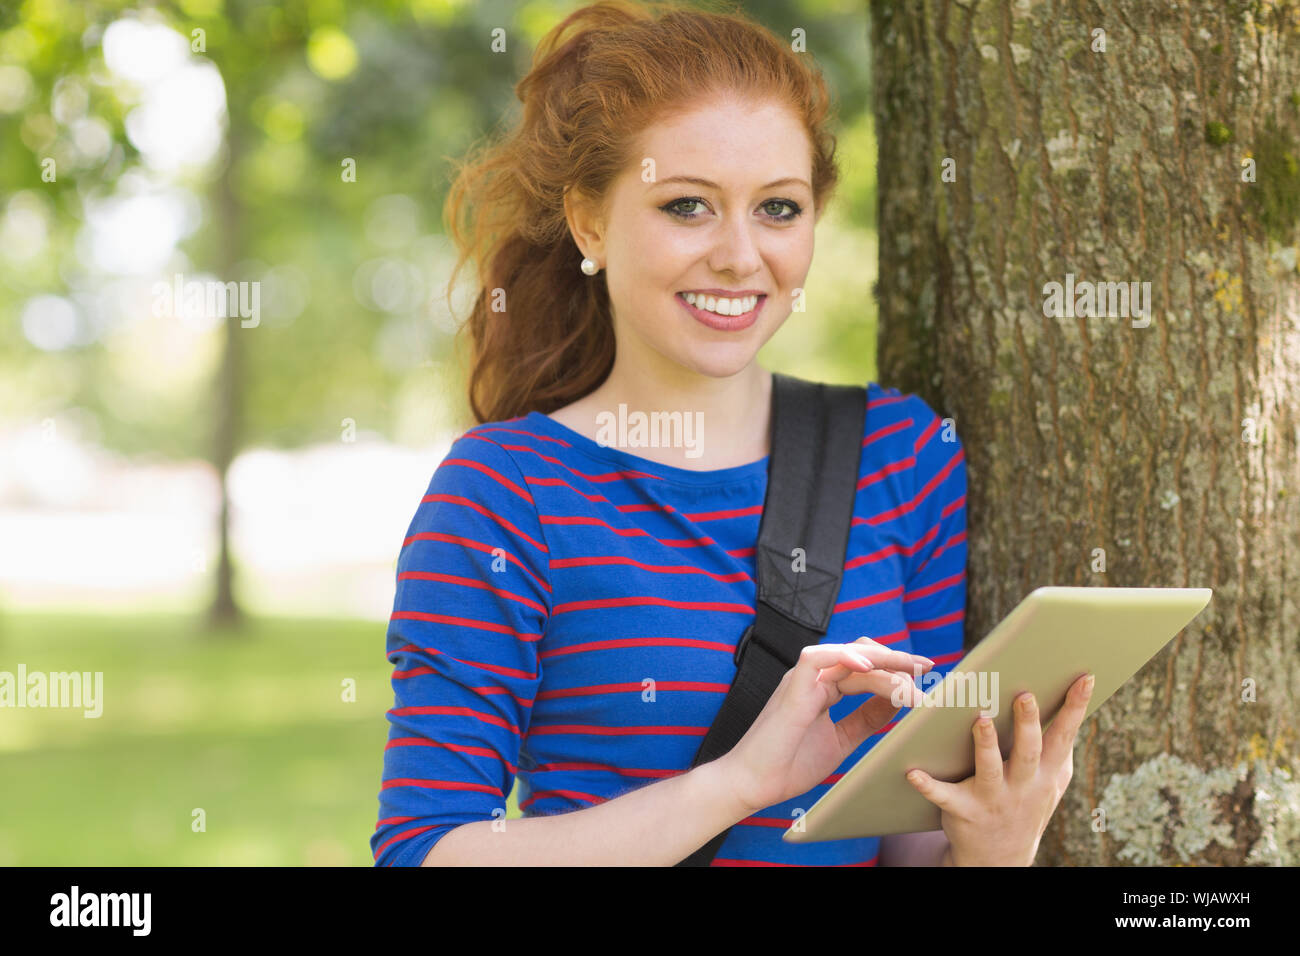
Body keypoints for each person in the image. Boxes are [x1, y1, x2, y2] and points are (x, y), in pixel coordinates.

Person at [370, 0, 1093, 867]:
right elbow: (424, 849)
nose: (741, 256)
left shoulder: (903, 457)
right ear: (589, 223)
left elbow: (912, 840)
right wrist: (735, 783)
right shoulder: (504, 493)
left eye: (778, 209)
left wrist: (996, 847)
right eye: (687, 206)